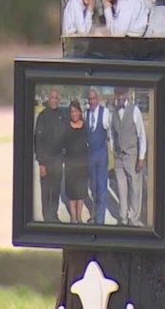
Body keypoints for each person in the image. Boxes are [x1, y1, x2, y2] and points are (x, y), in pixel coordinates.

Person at [109, 86, 148, 226]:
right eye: (117, 94)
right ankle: (123, 217)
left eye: (121, 94)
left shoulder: (134, 110)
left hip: (132, 155)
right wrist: (114, 151)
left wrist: (141, 157)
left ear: (126, 94)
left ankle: (134, 219)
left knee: (135, 189)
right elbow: (112, 135)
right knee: (121, 188)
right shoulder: (112, 113)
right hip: (119, 157)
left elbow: (141, 135)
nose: (119, 97)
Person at [33, 89, 68, 222]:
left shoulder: (62, 115)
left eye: (57, 98)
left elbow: (66, 136)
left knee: (56, 189)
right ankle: (46, 216)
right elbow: (38, 142)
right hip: (46, 161)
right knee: (46, 190)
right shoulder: (42, 116)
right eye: (52, 98)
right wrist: (41, 164)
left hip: (58, 160)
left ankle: (54, 214)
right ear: (49, 99)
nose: (55, 100)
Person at [83, 87, 112, 224]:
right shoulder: (86, 113)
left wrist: (110, 150)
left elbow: (110, 132)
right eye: (90, 99)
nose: (92, 101)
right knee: (93, 187)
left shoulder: (105, 112)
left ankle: (100, 221)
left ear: (98, 99)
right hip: (90, 154)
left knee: (101, 187)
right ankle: (94, 214)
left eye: (94, 99)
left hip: (101, 154)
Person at [62, 100, 89, 223]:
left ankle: (79, 216)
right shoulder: (66, 126)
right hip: (70, 164)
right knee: (72, 191)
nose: (74, 114)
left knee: (81, 191)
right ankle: (73, 216)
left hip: (83, 163)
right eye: (72, 111)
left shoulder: (85, 125)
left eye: (76, 111)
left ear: (80, 111)